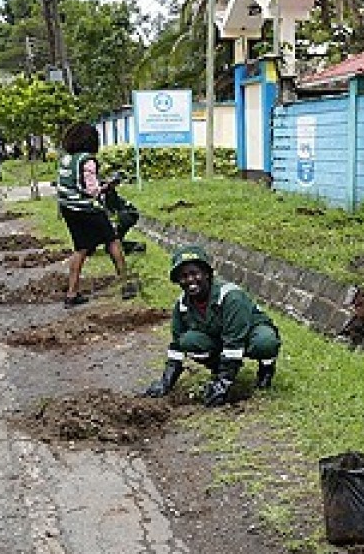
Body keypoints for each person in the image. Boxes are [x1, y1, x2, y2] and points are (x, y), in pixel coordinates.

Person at [144, 245, 281, 406]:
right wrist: (166, 382)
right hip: (220, 336)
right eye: (183, 276)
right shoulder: (182, 305)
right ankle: (218, 368)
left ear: (207, 274)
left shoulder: (231, 297)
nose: (190, 280)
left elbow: (234, 342)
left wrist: (224, 383)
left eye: (195, 273)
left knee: (265, 342)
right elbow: (177, 346)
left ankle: (266, 370)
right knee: (189, 341)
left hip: (249, 333)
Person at [55, 122, 138, 308]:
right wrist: (108, 186)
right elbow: (92, 190)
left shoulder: (66, 159)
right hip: (87, 209)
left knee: (80, 249)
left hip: (69, 209)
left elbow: (69, 184)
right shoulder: (88, 161)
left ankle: (71, 294)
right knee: (112, 241)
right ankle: (125, 284)